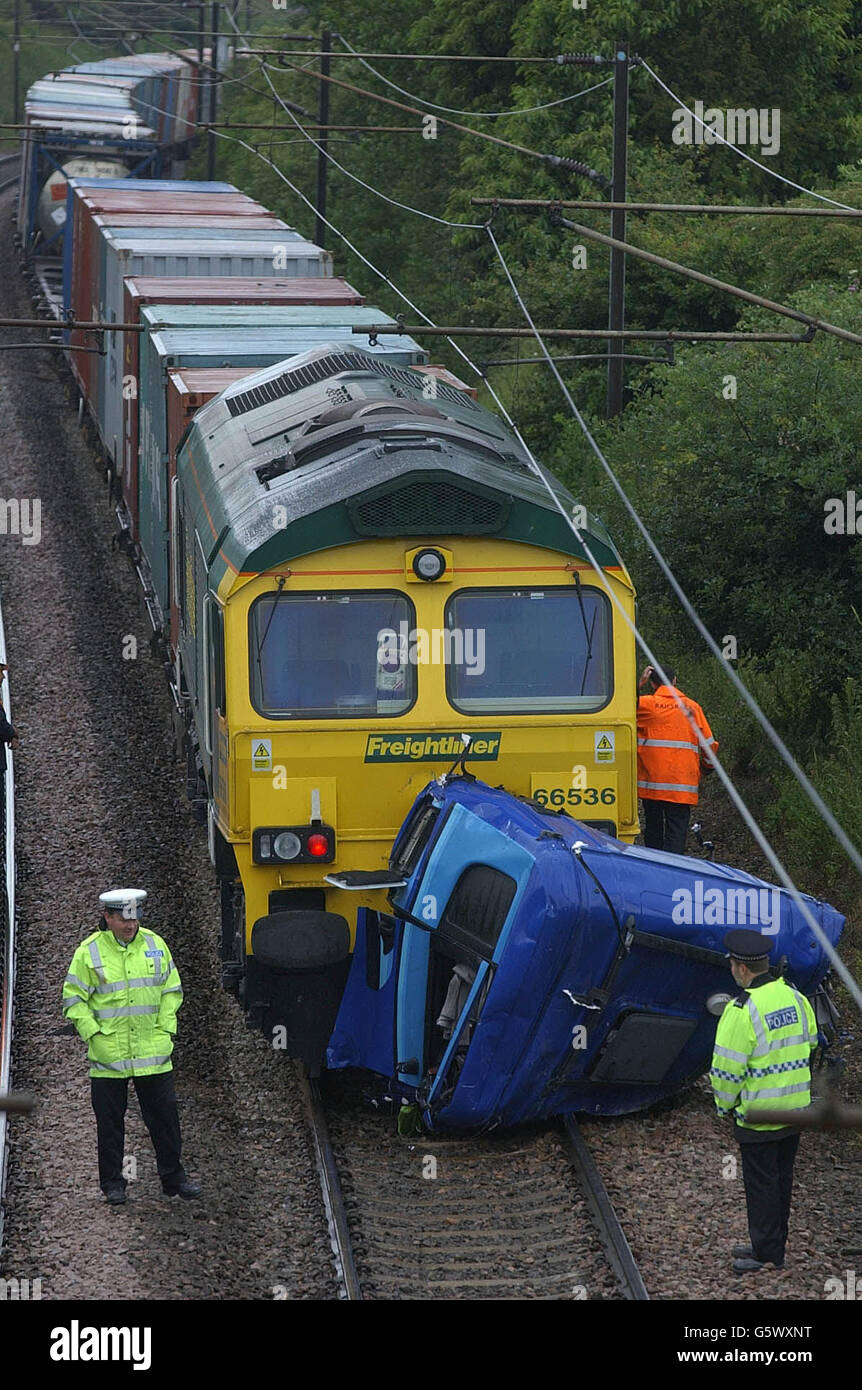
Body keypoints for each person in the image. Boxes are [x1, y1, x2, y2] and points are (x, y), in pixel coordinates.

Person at [62, 888, 201, 1205]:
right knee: (110, 1125)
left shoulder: (154, 944)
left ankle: (173, 1180)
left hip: (152, 1052)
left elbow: (171, 989)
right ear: (108, 918)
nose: (130, 925)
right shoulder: (89, 953)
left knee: (165, 1120)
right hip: (109, 1055)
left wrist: (167, 1028)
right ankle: (114, 1184)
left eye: (134, 917)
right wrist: (93, 1034)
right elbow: (73, 1000)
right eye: (123, 919)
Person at [709, 928, 816, 1274]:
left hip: (758, 1117)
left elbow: (726, 1071)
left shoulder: (741, 1011)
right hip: (796, 1111)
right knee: (782, 1181)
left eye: (731, 965)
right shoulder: (796, 998)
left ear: (740, 968)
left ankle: (766, 1254)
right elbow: (811, 1043)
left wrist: (724, 1107)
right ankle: (771, 1243)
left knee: (761, 1186)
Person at [636, 663, 717, 853]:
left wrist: (639, 685)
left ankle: (654, 866)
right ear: (674, 681)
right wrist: (705, 769)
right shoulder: (692, 708)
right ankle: (673, 871)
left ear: (653, 684)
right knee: (677, 831)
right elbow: (709, 746)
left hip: (652, 783)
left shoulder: (647, 705)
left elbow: (621, 706)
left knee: (654, 827)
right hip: (681, 783)